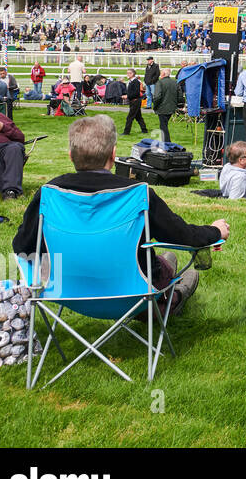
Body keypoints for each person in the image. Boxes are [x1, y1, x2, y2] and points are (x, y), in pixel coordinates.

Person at [13, 115, 228, 317]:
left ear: (71, 155)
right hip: (131, 291)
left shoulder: (49, 193)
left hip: (65, 290)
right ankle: (171, 298)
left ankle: (164, 268)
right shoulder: (137, 193)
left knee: (160, 260)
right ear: (113, 154)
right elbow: (182, 236)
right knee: (177, 270)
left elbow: (22, 246)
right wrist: (215, 230)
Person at [148, 67, 180, 145]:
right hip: (172, 107)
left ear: (163, 74)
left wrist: (155, 105)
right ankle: (166, 141)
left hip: (162, 107)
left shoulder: (160, 83)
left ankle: (167, 142)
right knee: (164, 124)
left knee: (163, 126)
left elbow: (157, 96)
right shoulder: (175, 82)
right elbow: (180, 96)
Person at [122, 68, 147, 136]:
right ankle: (144, 130)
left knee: (130, 117)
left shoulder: (135, 82)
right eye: (127, 73)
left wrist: (127, 96)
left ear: (132, 74)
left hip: (135, 101)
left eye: (129, 73)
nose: (127, 74)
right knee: (138, 117)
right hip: (133, 101)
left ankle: (126, 132)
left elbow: (136, 93)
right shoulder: (131, 81)